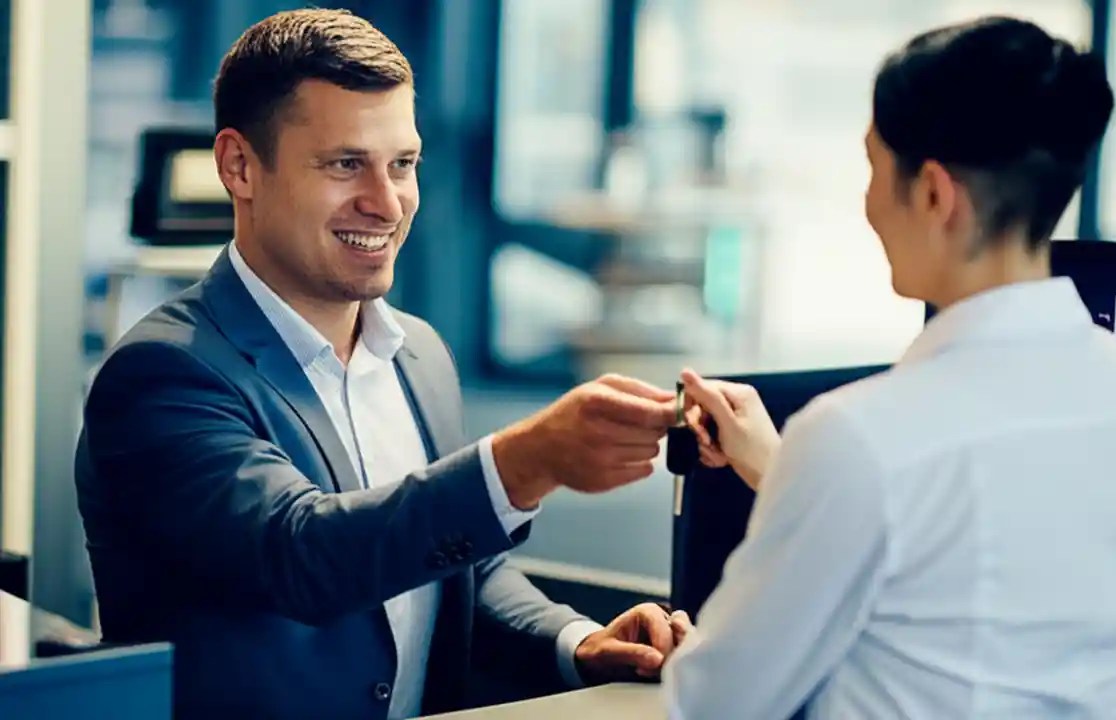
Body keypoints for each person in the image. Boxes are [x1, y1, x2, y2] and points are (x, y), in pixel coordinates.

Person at [74, 9, 685, 720]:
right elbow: (304, 554)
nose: (386, 203)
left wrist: (575, 642)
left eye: (403, 164)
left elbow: (463, 567)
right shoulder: (162, 373)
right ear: (239, 167)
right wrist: (524, 462)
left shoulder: (419, 355)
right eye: (345, 164)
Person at [663, 16, 1116, 720]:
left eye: (873, 169)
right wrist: (791, 474)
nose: (867, 203)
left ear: (935, 195)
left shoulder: (860, 439)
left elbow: (715, 703)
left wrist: (702, 649)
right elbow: (980, 575)